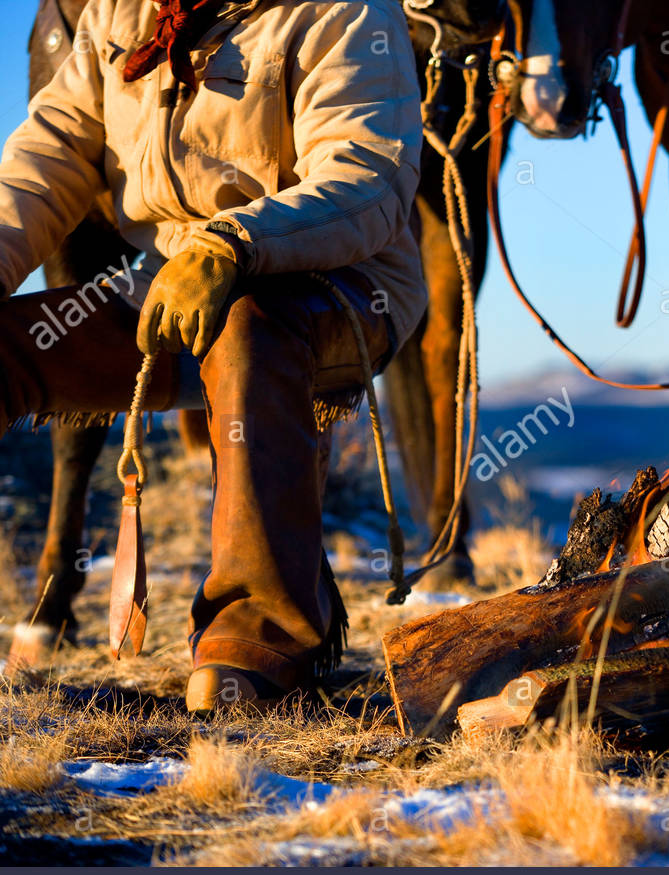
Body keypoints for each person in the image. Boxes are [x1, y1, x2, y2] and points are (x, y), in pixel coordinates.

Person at [0, 0, 426, 712]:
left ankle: (260, 634)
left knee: (248, 322)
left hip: (341, 280)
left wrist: (231, 245)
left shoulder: (347, 11)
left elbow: (368, 174)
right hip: (167, 282)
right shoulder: (121, 11)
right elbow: (51, 152)